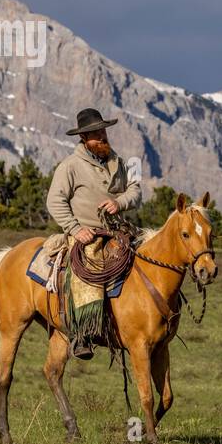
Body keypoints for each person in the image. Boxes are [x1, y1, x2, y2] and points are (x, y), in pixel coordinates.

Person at [45, 108, 142, 359]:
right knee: (88, 270)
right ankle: (83, 332)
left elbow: (135, 190)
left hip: (118, 231)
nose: (102, 137)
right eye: (95, 134)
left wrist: (119, 203)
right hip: (87, 234)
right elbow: (55, 202)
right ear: (84, 139)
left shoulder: (119, 162)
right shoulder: (70, 166)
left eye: (103, 131)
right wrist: (76, 230)